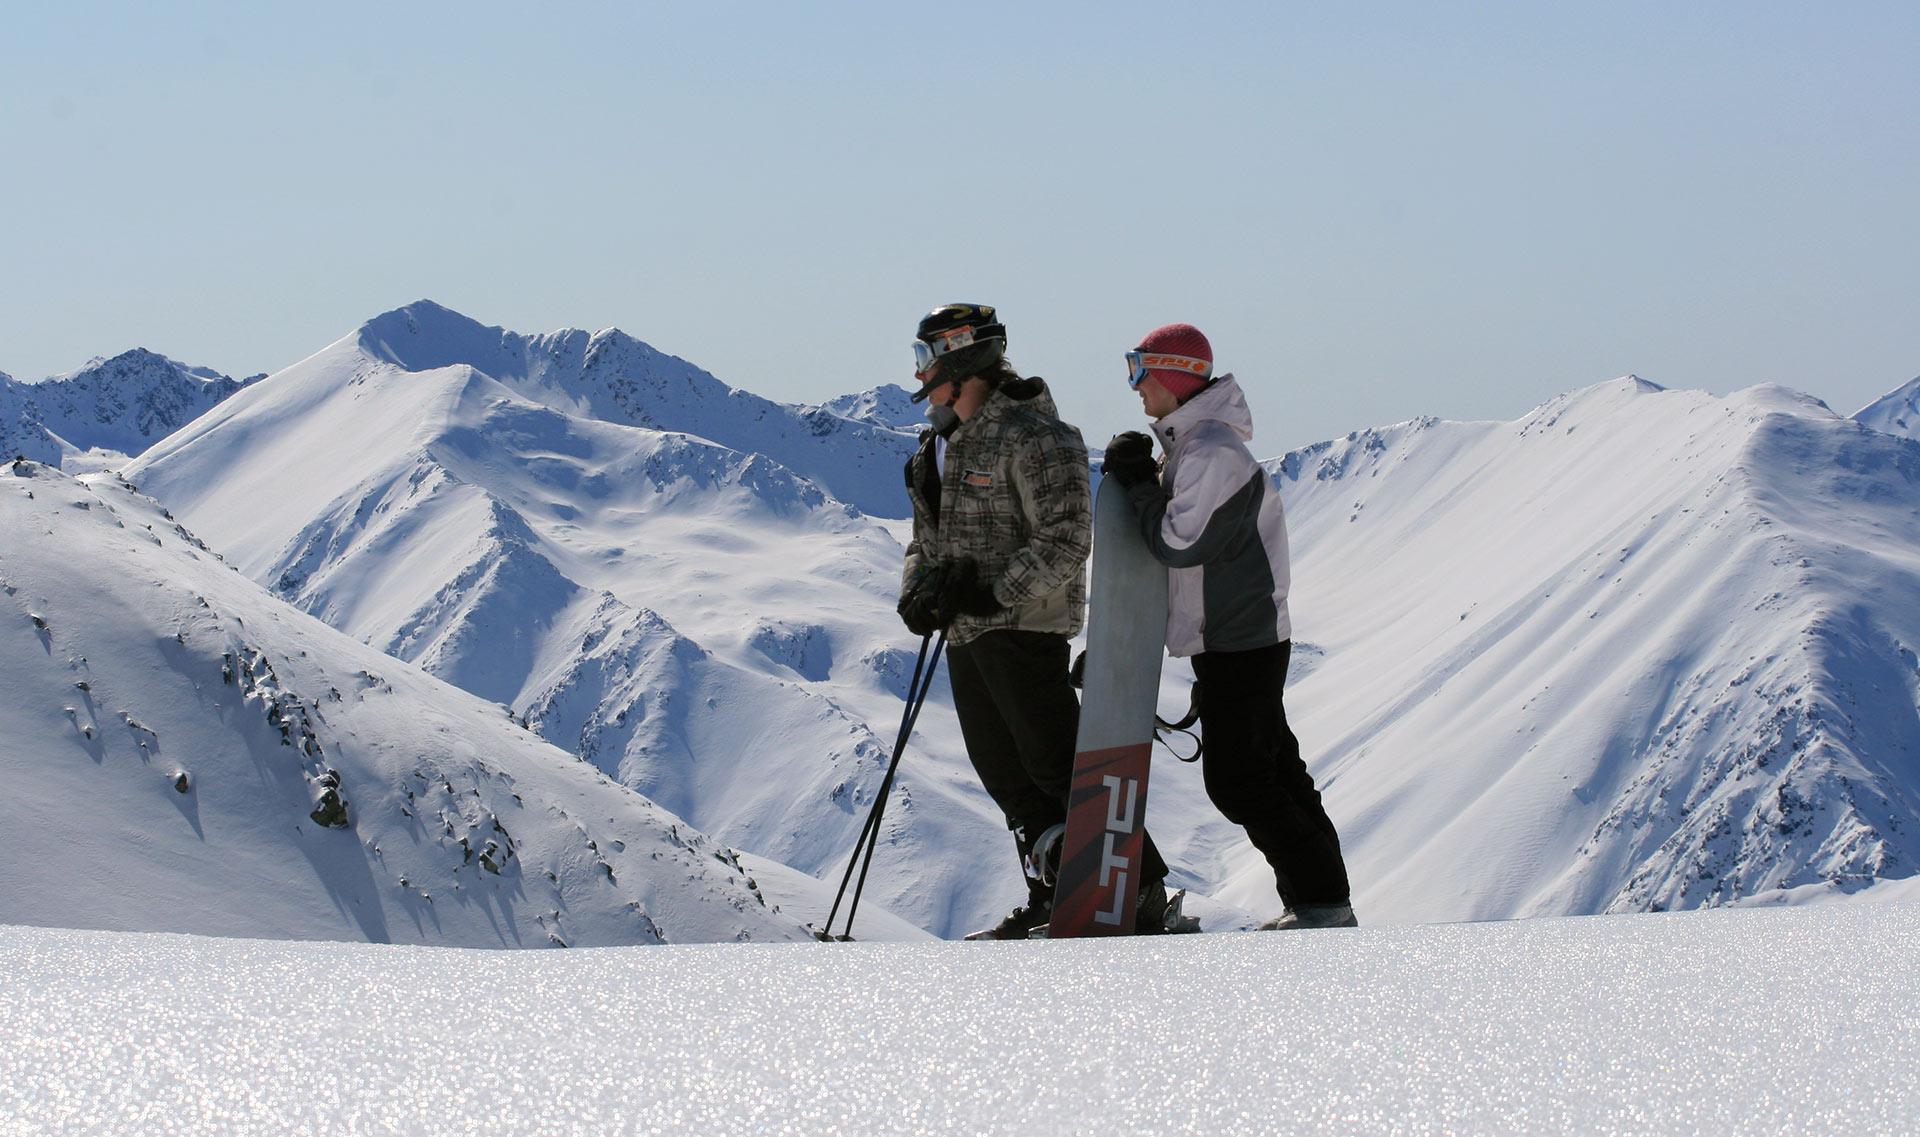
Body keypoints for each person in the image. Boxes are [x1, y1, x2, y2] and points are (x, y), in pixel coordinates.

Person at [897, 302, 1173, 940]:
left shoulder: (1036, 435)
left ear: (961, 359)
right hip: (966, 631)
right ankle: (1055, 895)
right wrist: (918, 594)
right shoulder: (935, 447)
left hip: (1026, 626)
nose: (918, 374)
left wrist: (995, 593)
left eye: (924, 358)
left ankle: (1144, 892)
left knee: (1057, 764)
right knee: (1005, 773)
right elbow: (923, 543)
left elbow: (1068, 536)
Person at [1101, 323, 1356, 930]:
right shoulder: (1196, 446)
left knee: (1241, 782)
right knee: (1274, 772)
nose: (1135, 388)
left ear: (1172, 374)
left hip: (1240, 639)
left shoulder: (1211, 451)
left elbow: (1178, 542)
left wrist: (1138, 485)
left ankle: (1321, 903)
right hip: (1237, 637)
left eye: (1140, 372)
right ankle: (1322, 902)